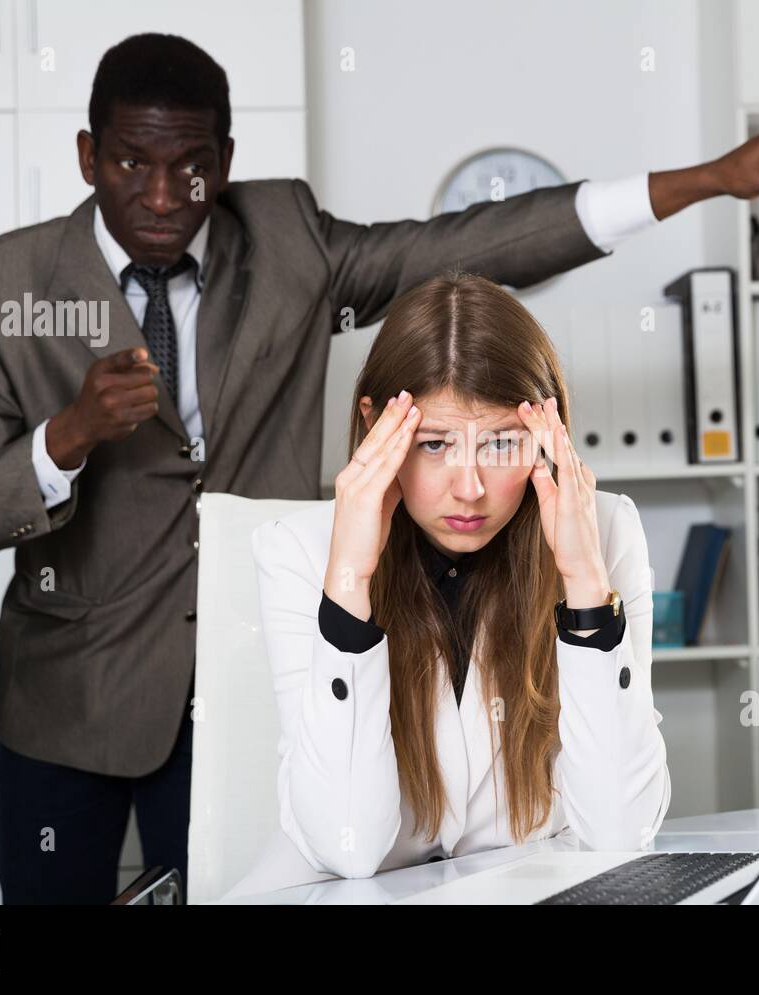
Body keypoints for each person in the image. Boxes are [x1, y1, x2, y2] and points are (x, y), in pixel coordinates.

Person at [0, 28, 759, 903]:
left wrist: (709, 179)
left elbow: (477, 246)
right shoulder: (0, 287)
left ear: (224, 163)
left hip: (268, 674)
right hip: (80, 690)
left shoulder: (283, 237)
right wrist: (65, 436)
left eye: (193, 169)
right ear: (87, 155)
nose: (164, 196)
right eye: (131, 164)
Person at [252, 272, 668, 879]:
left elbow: (620, 830)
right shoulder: (300, 550)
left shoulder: (605, 530)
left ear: (548, 434)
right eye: (433, 444)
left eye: (502, 444)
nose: (469, 489)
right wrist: (349, 582)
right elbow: (348, 849)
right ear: (374, 426)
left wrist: (583, 582)